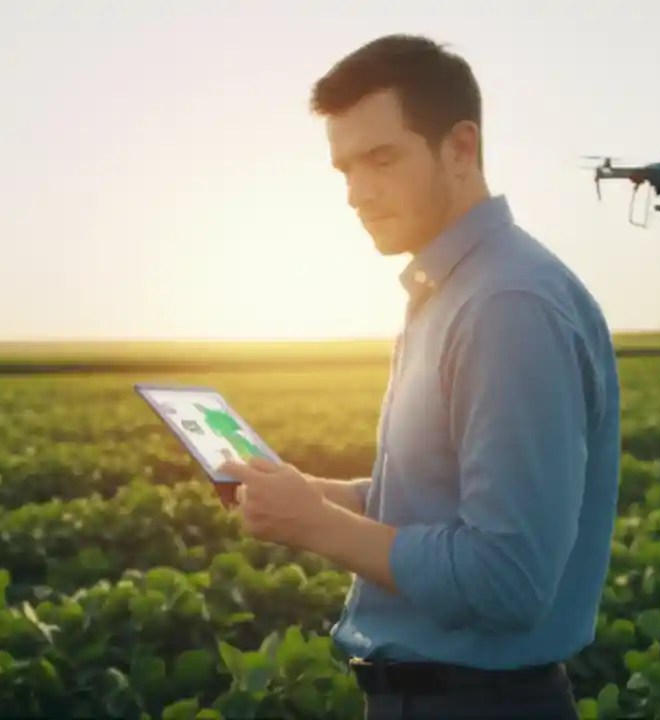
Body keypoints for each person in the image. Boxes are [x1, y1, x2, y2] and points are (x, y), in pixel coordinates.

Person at [218, 33, 621, 720]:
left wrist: (315, 526)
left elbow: (506, 579)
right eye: (344, 169)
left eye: (381, 159)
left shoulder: (505, 305)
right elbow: (447, 501)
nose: (357, 193)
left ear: (460, 148)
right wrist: (320, 493)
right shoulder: (454, 290)